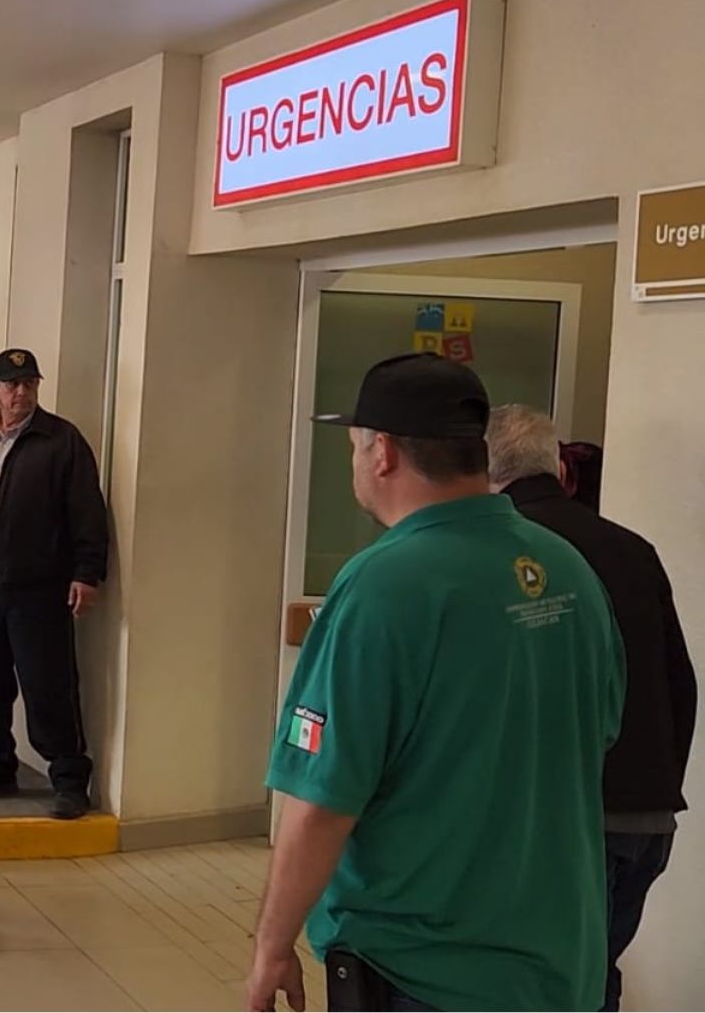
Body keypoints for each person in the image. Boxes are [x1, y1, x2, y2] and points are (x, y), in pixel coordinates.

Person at [246, 354, 624, 1013]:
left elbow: (323, 800)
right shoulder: (565, 567)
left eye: (355, 446)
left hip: (425, 967)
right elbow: (604, 726)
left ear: (383, 453)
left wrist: (272, 946)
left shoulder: (383, 584)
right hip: (560, 962)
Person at [486, 404, 695, 1012]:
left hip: (554, 823)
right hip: (644, 818)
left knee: (533, 988)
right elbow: (680, 683)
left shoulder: (495, 554)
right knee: (594, 977)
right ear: (558, 467)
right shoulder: (634, 549)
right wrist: (656, 788)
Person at [0, 349, 108, 818]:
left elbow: (87, 512)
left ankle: (69, 778)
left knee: (48, 683)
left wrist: (86, 573)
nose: (21, 392)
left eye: (29, 383)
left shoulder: (61, 441)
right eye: (12, 384)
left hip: (40, 586)